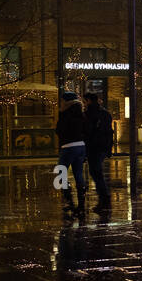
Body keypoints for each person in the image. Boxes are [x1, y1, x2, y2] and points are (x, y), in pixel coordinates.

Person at [56, 90, 88, 218]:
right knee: (78, 174)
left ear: (66, 102)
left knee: (61, 173)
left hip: (68, 147)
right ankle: (81, 203)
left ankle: (68, 200)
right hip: (81, 146)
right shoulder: (81, 114)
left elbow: (59, 130)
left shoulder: (65, 114)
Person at [83, 92, 113, 213]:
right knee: (96, 171)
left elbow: (87, 131)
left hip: (93, 146)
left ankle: (104, 197)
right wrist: (109, 148)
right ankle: (104, 196)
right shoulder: (105, 113)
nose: (84, 104)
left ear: (89, 101)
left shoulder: (88, 114)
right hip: (102, 146)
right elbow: (109, 132)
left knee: (95, 171)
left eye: (85, 101)